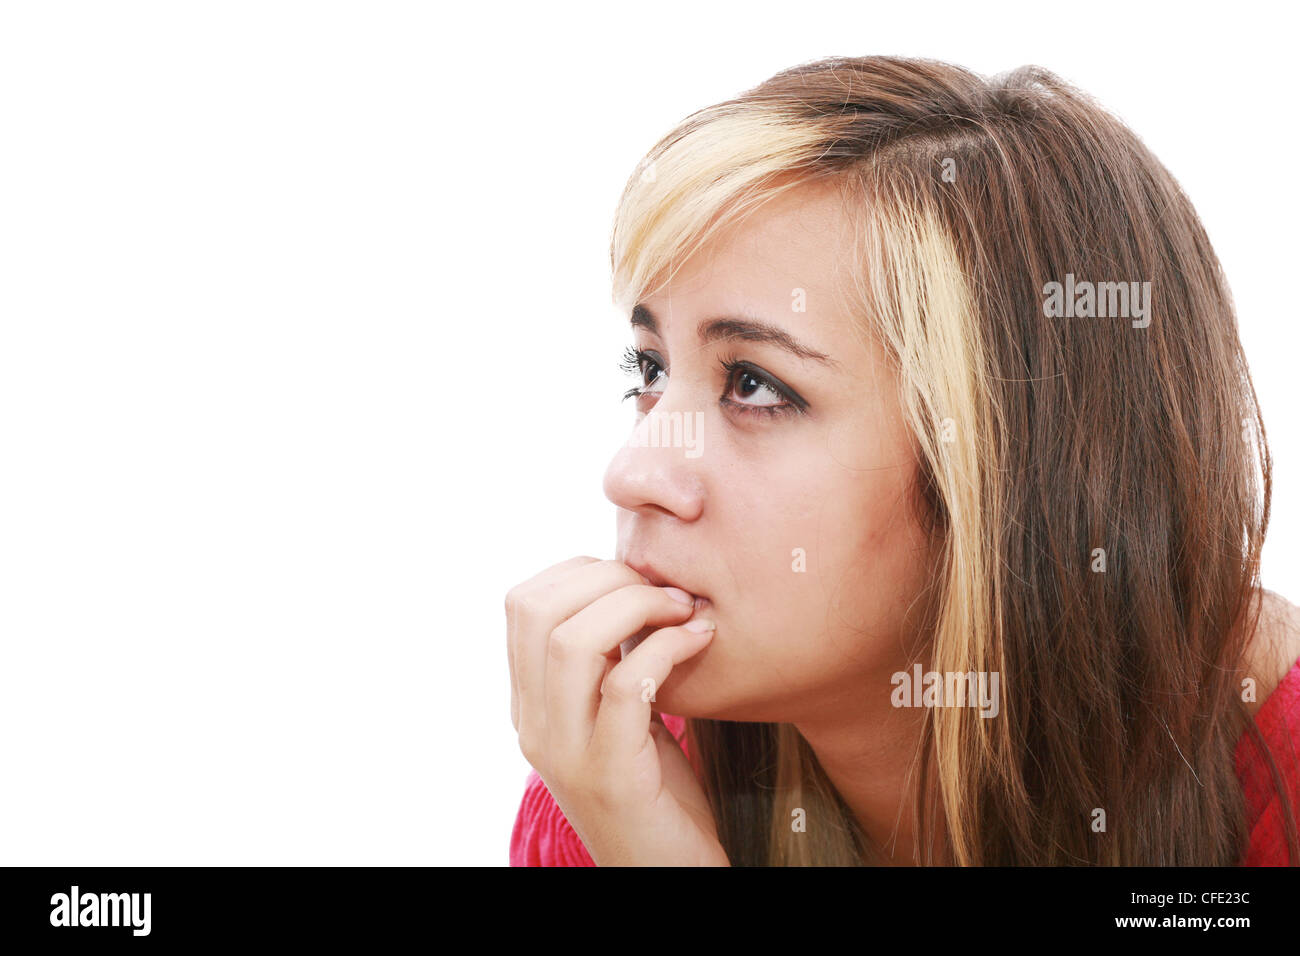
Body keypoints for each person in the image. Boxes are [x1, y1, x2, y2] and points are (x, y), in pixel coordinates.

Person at [505, 55, 1300, 866]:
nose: (632, 473)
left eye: (754, 384)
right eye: (650, 371)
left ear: (1006, 464)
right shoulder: (613, 794)